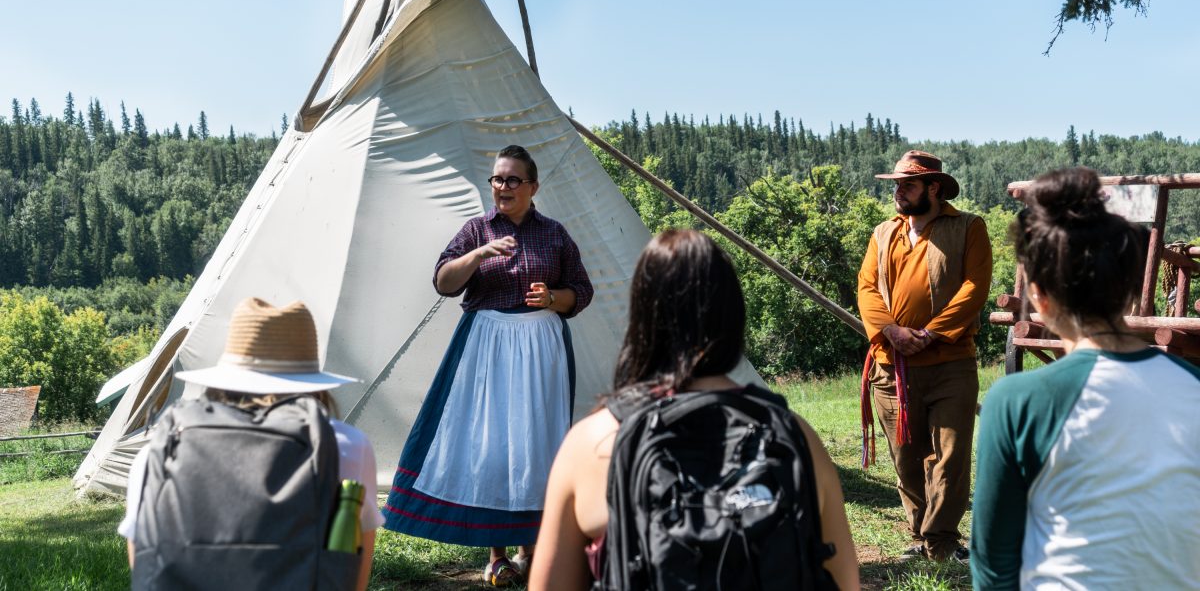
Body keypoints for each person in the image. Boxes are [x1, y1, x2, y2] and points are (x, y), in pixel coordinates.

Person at [528, 229, 859, 591]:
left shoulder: (591, 442)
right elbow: (844, 580)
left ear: (641, 318)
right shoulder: (794, 434)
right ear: (733, 316)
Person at [971, 167, 1200, 589]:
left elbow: (993, 567)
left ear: (1037, 295)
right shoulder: (1194, 386)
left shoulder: (1018, 401)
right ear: (1132, 286)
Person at [381, 144, 594, 586]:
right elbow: (443, 282)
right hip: (487, 347)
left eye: (513, 179)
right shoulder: (477, 229)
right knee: (492, 446)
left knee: (537, 445)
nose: (503, 187)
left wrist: (553, 299)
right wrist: (479, 255)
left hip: (541, 348)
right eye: (497, 178)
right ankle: (496, 555)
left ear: (533, 187)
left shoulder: (554, 234)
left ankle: (532, 551)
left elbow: (582, 290)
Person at [118, 297, 383, 591]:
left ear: (223, 378)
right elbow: (350, 576)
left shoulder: (161, 449)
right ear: (313, 381)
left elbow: (144, 565)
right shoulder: (347, 446)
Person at [856, 150, 992, 562]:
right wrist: (892, 332)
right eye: (896, 185)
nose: (899, 192)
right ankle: (920, 535)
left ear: (934, 188)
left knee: (949, 457)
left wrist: (932, 333)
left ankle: (943, 540)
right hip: (891, 367)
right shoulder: (883, 233)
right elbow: (866, 288)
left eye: (907, 184)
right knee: (907, 458)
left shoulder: (968, 227)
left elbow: (974, 287)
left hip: (950, 363)